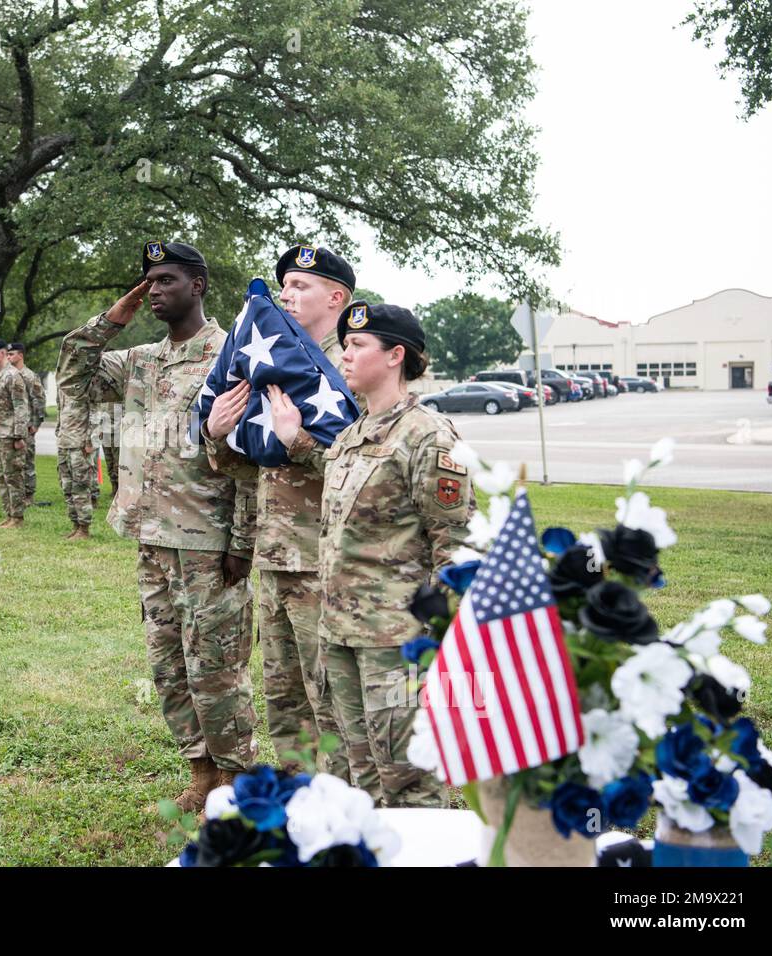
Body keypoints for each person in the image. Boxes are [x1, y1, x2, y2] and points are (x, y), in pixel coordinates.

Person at [58, 240, 257, 812]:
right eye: (149, 282)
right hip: (150, 537)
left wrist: (241, 541)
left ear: (198, 285)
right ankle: (199, 768)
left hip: (207, 538)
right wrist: (112, 319)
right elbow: (74, 372)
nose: (154, 291)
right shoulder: (140, 359)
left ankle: (236, 776)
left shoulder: (232, 355)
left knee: (215, 665)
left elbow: (249, 457)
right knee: (167, 664)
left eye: (167, 279)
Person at [266, 301, 474, 806]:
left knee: (407, 780)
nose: (346, 356)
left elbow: (458, 544)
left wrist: (438, 637)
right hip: (340, 632)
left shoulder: (428, 436)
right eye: (346, 345)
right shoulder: (354, 433)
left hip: (396, 640)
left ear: (395, 355)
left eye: (358, 345)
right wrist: (296, 442)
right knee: (356, 775)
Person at [202, 243, 353, 778]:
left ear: (337, 297)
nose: (286, 294)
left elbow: (373, 470)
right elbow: (250, 465)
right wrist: (217, 436)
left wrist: (302, 442)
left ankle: (349, 810)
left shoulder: (353, 368)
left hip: (331, 563)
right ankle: (299, 807)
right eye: (283, 285)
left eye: (300, 286)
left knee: (333, 698)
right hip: (278, 558)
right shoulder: (271, 360)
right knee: (285, 699)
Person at [0, 338, 31, 528]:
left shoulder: (12, 376)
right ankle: (9, 514)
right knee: (0, 477)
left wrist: (20, 435)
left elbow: (21, 407)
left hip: (9, 435)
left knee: (13, 477)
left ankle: (18, 517)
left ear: (2, 353)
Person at [6, 342, 45, 507]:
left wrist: (36, 423)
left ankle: (28, 495)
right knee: (13, 463)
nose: (8, 357)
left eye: (11, 354)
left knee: (27, 462)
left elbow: (39, 400)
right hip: (11, 426)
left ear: (20, 355)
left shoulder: (29, 376)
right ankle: (16, 493)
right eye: (7, 355)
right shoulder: (8, 375)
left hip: (27, 426)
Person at [54, 384, 95, 538]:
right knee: (66, 486)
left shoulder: (85, 382)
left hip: (80, 443)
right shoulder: (62, 383)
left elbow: (96, 411)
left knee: (80, 485)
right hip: (64, 441)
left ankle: (84, 529)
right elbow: (60, 410)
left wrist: (91, 439)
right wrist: (58, 432)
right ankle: (75, 525)